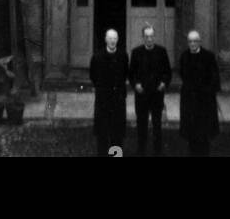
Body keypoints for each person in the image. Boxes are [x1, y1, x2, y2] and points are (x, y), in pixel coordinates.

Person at [128, 24, 172, 156]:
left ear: (154, 37)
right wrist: (135, 85)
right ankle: (141, 150)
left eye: (151, 36)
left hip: (157, 94)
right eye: (146, 36)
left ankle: (157, 150)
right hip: (141, 94)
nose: (149, 39)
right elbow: (131, 73)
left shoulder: (162, 51)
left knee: (157, 123)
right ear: (143, 37)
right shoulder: (136, 52)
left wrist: (164, 83)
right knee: (141, 123)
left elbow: (167, 72)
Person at [177, 29, 221, 157]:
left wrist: (207, 92)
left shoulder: (208, 56)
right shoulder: (184, 56)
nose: (192, 44)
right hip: (190, 100)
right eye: (190, 41)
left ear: (199, 42)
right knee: (191, 134)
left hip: (204, 101)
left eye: (195, 41)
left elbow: (214, 78)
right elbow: (183, 75)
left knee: (204, 133)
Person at [89, 28, 128, 156]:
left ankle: (116, 155)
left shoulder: (123, 56)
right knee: (102, 133)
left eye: (115, 38)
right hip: (103, 100)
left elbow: (125, 74)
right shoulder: (97, 57)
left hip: (118, 100)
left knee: (117, 134)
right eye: (110, 38)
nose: (112, 41)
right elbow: (93, 75)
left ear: (117, 40)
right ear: (106, 39)